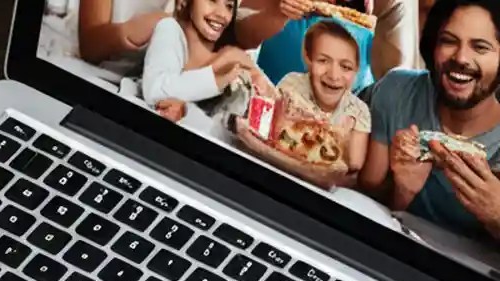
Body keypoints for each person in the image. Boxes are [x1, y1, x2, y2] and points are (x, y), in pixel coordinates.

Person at [359, 0, 500, 242]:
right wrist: (401, 190)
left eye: (480, 47)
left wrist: (496, 214)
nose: (461, 58)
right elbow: (353, 197)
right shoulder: (396, 92)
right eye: (448, 41)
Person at [78, 0, 311, 77]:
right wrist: (125, 33)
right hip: (102, 73)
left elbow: (240, 34)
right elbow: (90, 45)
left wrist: (278, 11)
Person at [142, 0, 275, 119]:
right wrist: (218, 76)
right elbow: (154, 90)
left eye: (229, 6)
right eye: (212, 0)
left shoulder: (231, 54)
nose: (222, 14)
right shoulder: (170, 29)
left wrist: (261, 89)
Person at [275, 20, 373, 178]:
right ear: (308, 59)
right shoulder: (292, 84)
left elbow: (353, 166)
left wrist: (342, 140)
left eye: (346, 67)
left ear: (356, 72)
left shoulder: (359, 112)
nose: (334, 76)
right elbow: (277, 135)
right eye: (323, 61)